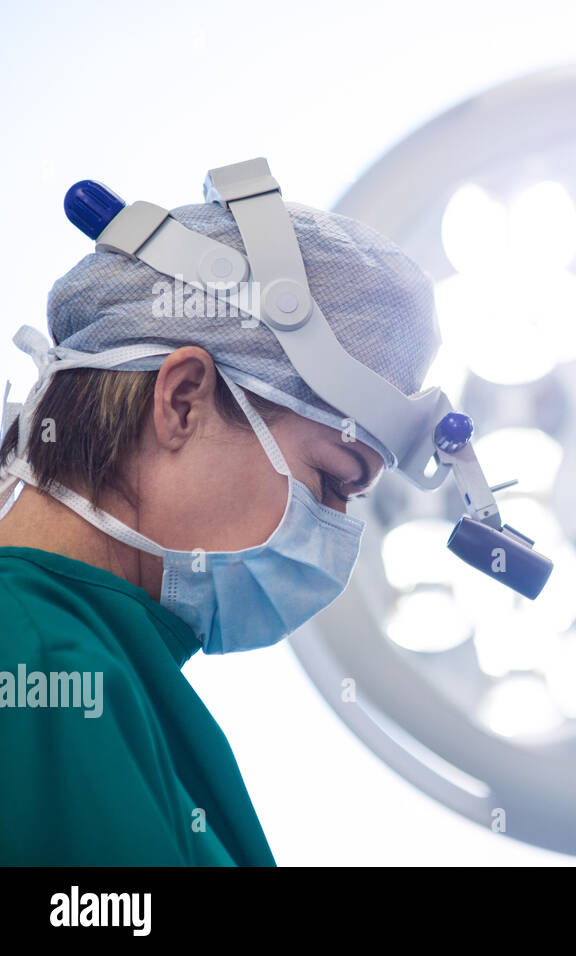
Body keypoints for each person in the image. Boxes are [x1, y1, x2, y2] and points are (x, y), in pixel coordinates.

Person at [0, 193, 435, 865]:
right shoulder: (41, 664)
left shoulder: (104, 670)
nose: (338, 534)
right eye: (331, 481)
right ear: (181, 402)